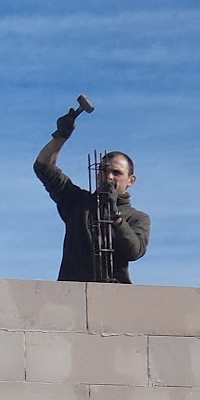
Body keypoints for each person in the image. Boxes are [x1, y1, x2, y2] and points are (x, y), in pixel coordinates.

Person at [33, 108, 150, 283]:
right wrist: (61, 137)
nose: (108, 177)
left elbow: (135, 251)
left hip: (115, 297)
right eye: (103, 170)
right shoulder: (78, 203)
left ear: (130, 180)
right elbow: (43, 167)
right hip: (71, 296)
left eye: (116, 172)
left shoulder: (137, 218)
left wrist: (115, 218)